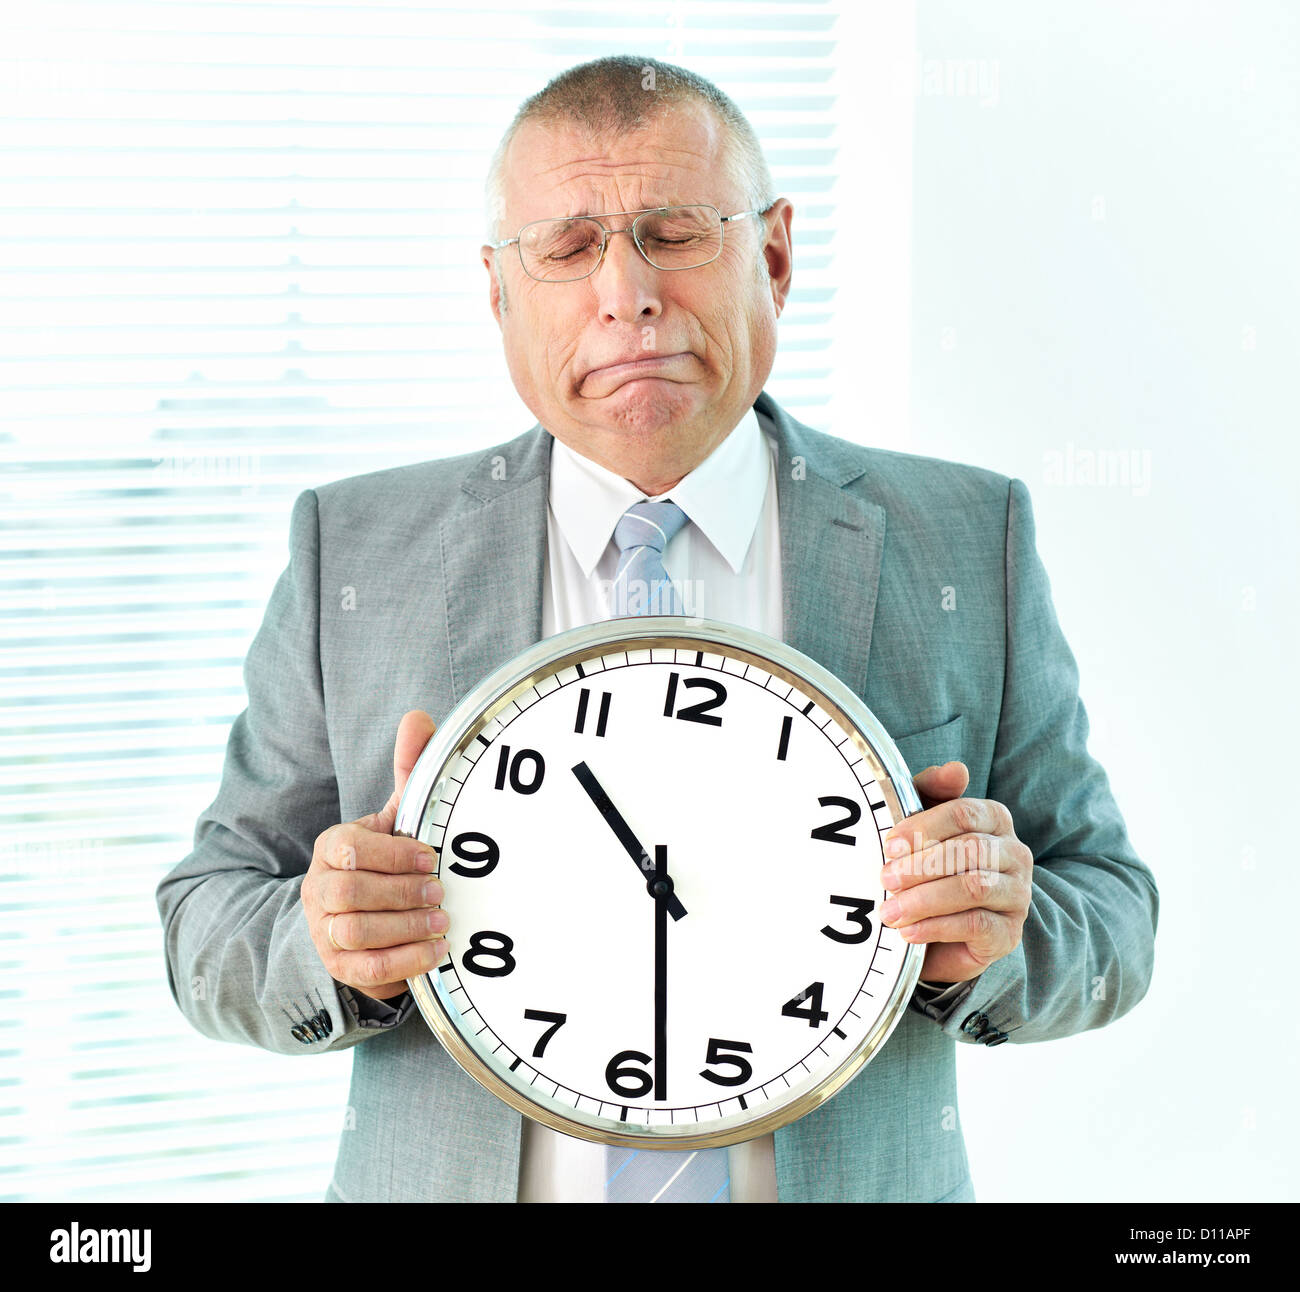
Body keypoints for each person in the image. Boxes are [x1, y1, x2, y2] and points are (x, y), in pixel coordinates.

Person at [156, 56, 1158, 1203]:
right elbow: (204, 923)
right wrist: (324, 936)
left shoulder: (964, 535)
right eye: (568, 246)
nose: (624, 293)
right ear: (499, 294)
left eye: (674, 232)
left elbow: (1113, 911)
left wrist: (1000, 928)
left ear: (774, 254)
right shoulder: (354, 545)